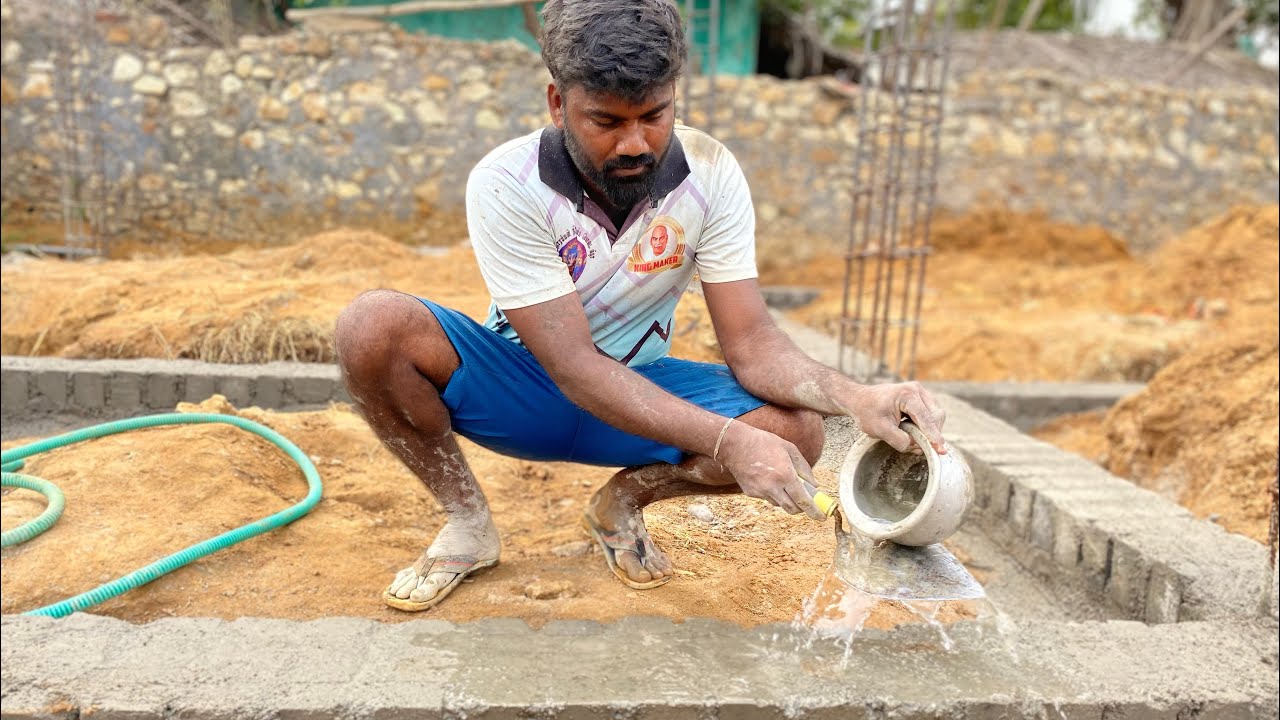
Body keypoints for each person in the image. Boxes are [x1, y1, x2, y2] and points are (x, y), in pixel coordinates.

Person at [335, 0, 948, 612]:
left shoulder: (710, 174)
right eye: (606, 121)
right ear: (558, 104)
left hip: (638, 393)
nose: (635, 143)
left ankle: (622, 503)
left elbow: (753, 344)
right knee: (373, 326)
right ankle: (467, 525)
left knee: (794, 430)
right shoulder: (507, 181)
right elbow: (573, 366)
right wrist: (727, 440)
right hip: (520, 387)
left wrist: (856, 397)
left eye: (655, 115)